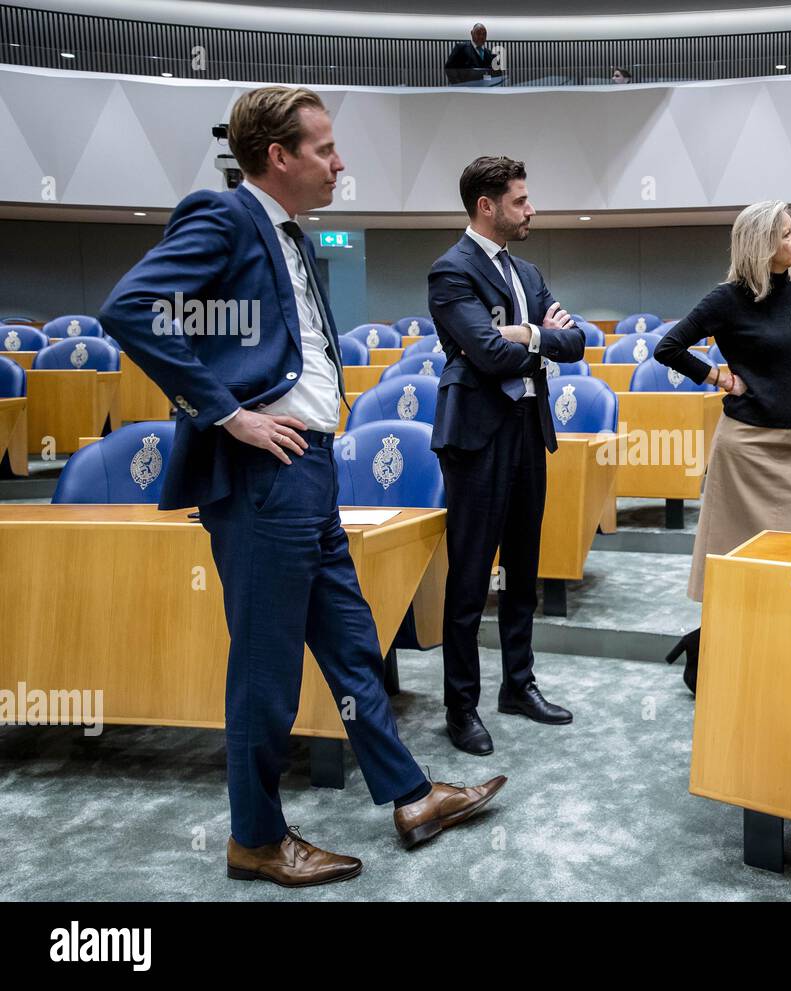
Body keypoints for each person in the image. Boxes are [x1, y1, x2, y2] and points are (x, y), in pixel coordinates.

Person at [99, 87, 506, 887]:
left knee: (355, 646)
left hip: (309, 470)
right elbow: (130, 308)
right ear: (277, 156)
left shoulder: (291, 235)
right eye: (325, 148)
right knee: (266, 665)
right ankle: (254, 837)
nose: (340, 162)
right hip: (261, 474)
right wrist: (226, 414)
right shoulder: (224, 218)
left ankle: (411, 793)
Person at [654, 200, 791, 691]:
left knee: (777, 561)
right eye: (788, 234)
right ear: (762, 243)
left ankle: (743, 651)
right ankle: (711, 647)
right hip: (743, 446)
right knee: (732, 559)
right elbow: (670, 347)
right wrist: (720, 377)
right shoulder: (727, 298)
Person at [427, 156, 586, 755]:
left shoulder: (528, 270)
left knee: (524, 568)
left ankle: (517, 684)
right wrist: (532, 339)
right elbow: (489, 356)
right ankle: (460, 706)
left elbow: (575, 342)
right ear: (486, 206)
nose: (531, 209)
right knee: (470, 577)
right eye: (520, 200)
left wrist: (531, 337)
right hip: (476, 436)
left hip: (526, 427)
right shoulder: (452, 271)